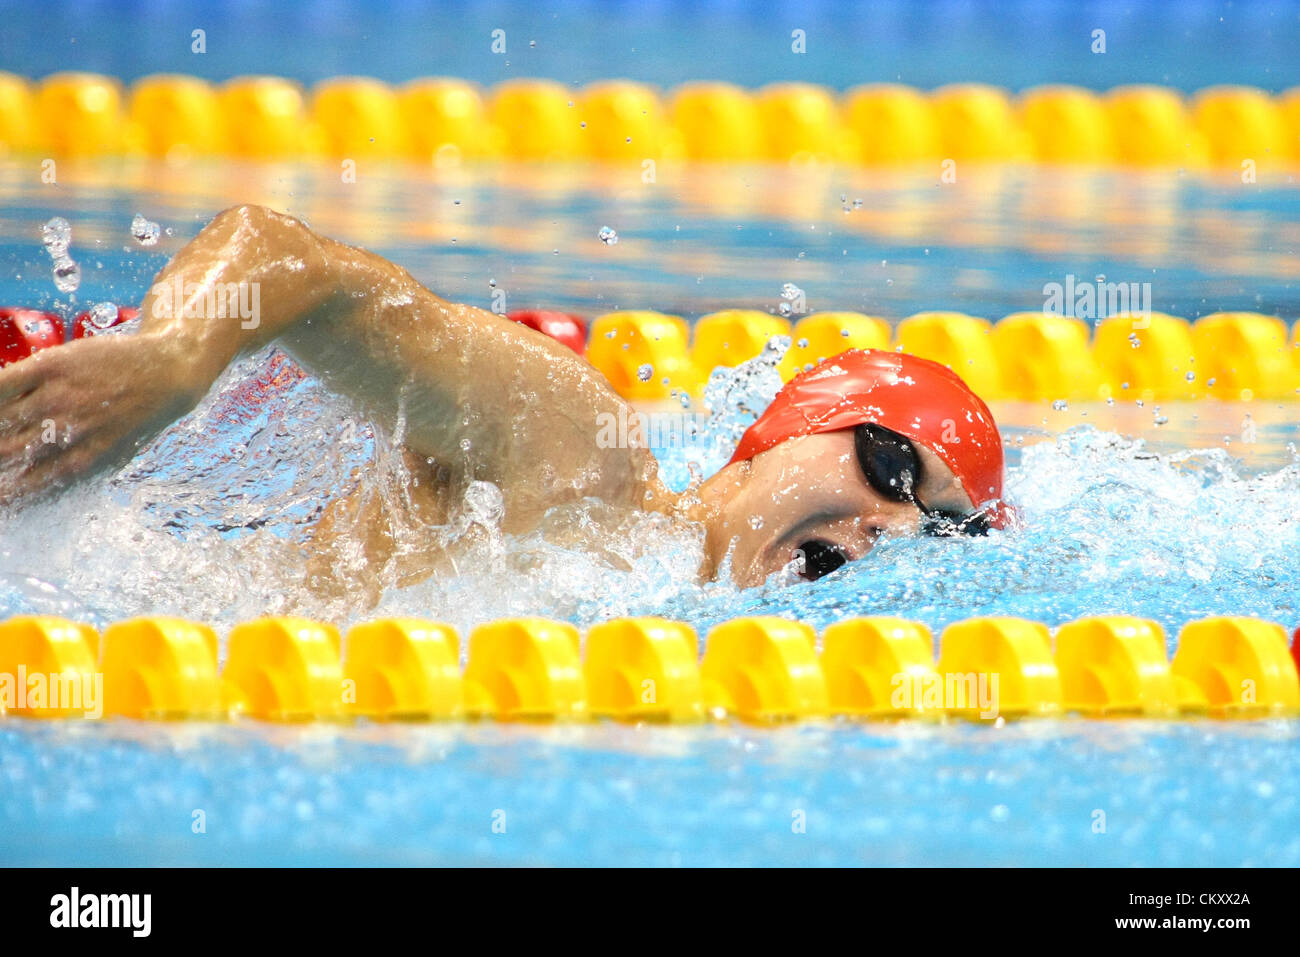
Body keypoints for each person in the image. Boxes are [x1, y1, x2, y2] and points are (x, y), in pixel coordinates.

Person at [0, 204, 1011, 595]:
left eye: (937, 528)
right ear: (785, 431)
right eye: (889, 465)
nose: (889, 523)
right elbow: (291, 261)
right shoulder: (585, 456)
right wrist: (174, 359)